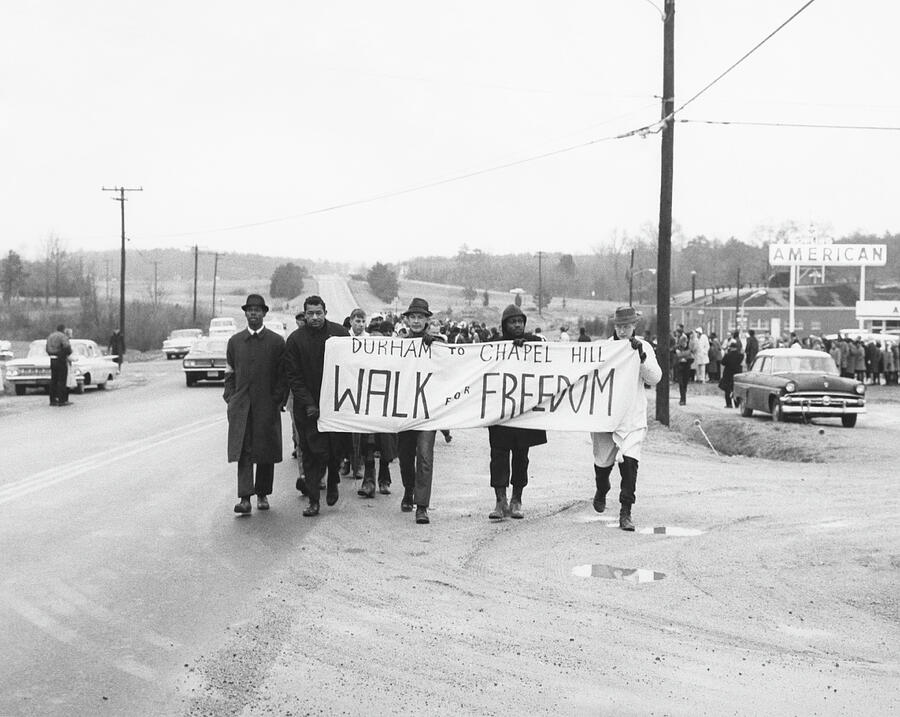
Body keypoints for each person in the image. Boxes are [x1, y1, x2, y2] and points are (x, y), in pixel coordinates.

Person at [590, 306, 662, 531]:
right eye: (619, 326)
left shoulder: (644, 347)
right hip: (606, 416)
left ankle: (626, 511)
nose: (623, 330)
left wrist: (641, 358)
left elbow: (655, 378)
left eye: (627, 326)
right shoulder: (603, 348)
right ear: (614, 326)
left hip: (631, 415)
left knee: (630, 464)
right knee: (602, 464)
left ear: (634, 326)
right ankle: (602, 489)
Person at [284, 295, 350, 517]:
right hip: (308, 408)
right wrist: (309, 404)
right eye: (310, 313)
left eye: (318, 313)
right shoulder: (294, 340)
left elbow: (353, 367)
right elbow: (293, 376)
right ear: (304, 314)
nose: (314, 317)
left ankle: (333, 481)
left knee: (334, 451)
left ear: (325, 312)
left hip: (336, 406)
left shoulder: (340, 334)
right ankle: (313, 500)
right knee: (311, 453)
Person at [224, 294, 288, 515]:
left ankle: (262, 494)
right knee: (243, 450)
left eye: (257, 309)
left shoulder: (276, 342)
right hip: (242, 405)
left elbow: (283, 375)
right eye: (249, 309)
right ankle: (244, 498)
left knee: (265, 449)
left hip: (266, 405)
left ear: (264, 313)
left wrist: (276, 399)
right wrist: (231, 397)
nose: (253, 313)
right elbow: (229, 373)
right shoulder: (235, 342)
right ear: (245, 313)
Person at [487, 305, 547, 520]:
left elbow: (547, 352)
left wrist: (527, 346)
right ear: (505, 325)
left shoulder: (534, 342)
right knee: (498, 456)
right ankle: (500, 500)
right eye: (512, 322)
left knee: (521, 458)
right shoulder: (494, 344)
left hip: (524, 412)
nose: (517, 325)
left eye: (520, 321)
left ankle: (517, 499)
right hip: (500, 412)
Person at [397, 298, 439, 525]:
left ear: (426, 320)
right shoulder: (398, 344)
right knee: (405, 455)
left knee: (424, 457)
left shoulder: (438, 344)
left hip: (427, 410)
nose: (415, 321)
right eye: (412, 317)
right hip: (404, 409)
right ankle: (408, 489)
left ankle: (421, 506)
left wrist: (435, 345)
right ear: (406, 319)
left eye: (420, 317)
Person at [46, 323, 72, 406]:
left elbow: (46, 348)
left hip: (52, 359)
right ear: (63, 329)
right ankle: (61, 400)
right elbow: (67, 347)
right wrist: (66, 353)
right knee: (62, 380)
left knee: (53, 380)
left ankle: (52, 400)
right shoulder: (62, 336)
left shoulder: (50, 336)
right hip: (60, 359)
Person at [718, 339, 744, 408]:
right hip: (737, 374)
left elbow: (723, 363)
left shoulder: (727, 355)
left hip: (728, 374)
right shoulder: (740, 356)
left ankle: (729, 404)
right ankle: (737, 404)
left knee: (727, 390)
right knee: (736, 389)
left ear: (731, 348)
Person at [673, 332, 692, 405]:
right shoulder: (677, 348)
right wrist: (683, 355)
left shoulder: (688, 348)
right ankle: (682, 399)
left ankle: (683, 398)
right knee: (681, 384)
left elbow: (690, 356)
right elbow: (675, 355)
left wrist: (681, 354)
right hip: (679, 367)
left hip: (686, 368)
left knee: (685, 384)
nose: (684, 343)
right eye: (683, 342)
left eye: (685, 342)